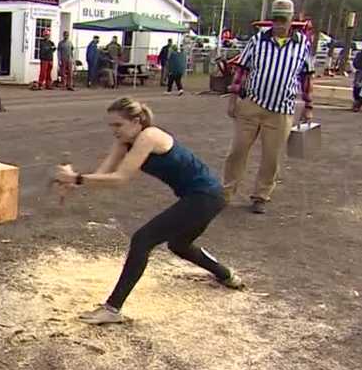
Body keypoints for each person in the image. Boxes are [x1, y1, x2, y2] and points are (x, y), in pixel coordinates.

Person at [52, 97, 243, 326]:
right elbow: (103, 176)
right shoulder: (124, 141)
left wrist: (76, 179)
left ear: (136, 121)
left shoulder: (149, 136)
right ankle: (227, 275)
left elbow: (120, 178)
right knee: (179, 245)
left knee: (143, 239)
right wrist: (71, 182)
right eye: (111, 125)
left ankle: (112, 309)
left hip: (206, 196)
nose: (114, 131)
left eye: (118, 125)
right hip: (199, 197)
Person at [222, 0, 313, 214]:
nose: (279, 24)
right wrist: (233, 100)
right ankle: (226, 192)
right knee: (237, 151)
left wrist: (308, 106)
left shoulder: (302, 44)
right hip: (252, 104)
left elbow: (306, 78)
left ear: (291, 19)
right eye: (276, 19)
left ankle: (261, 195)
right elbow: (241, 70)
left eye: (283, 20)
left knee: (271, 156)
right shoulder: (257, 41)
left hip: (281, 110)